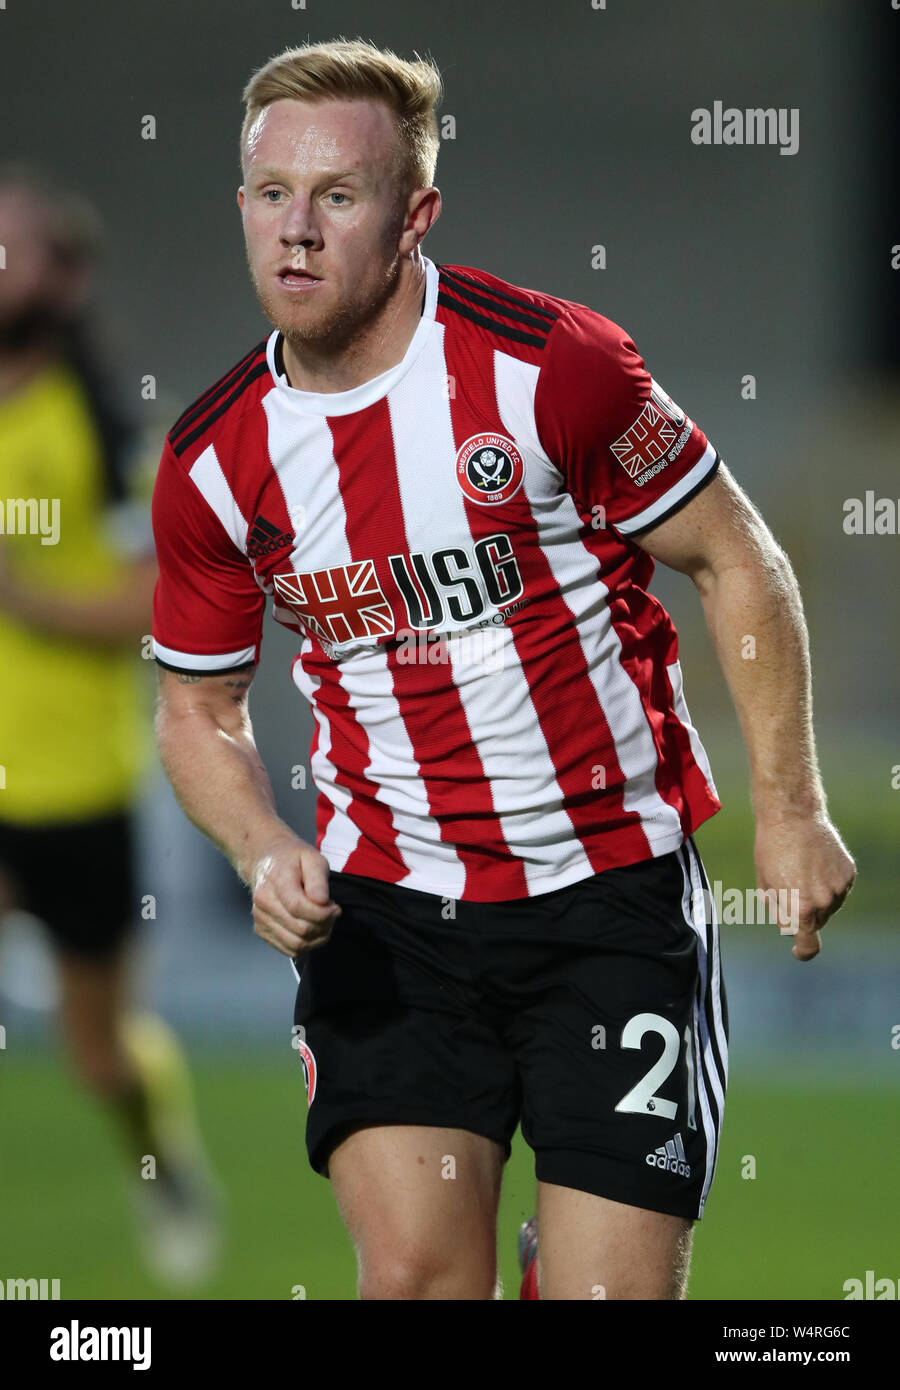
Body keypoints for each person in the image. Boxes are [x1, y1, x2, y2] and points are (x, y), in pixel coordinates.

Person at [151, 39, 856, 1300]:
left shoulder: (550, 370)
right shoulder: (213, 461)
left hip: (610, 898)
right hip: (390, 913)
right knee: (417, 1282)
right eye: (271, 195)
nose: (297, 232)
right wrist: (262, 843)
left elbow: (739, 559)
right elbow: (198, 708)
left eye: (339, 196)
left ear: (415, 216)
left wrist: (793, 808)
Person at [0, 164, 221, 1286]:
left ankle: (160, 1157)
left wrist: (22, 593)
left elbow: (152, 602)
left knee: (97, 1050)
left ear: (64, 273)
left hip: (74, 784)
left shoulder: (97, 420)